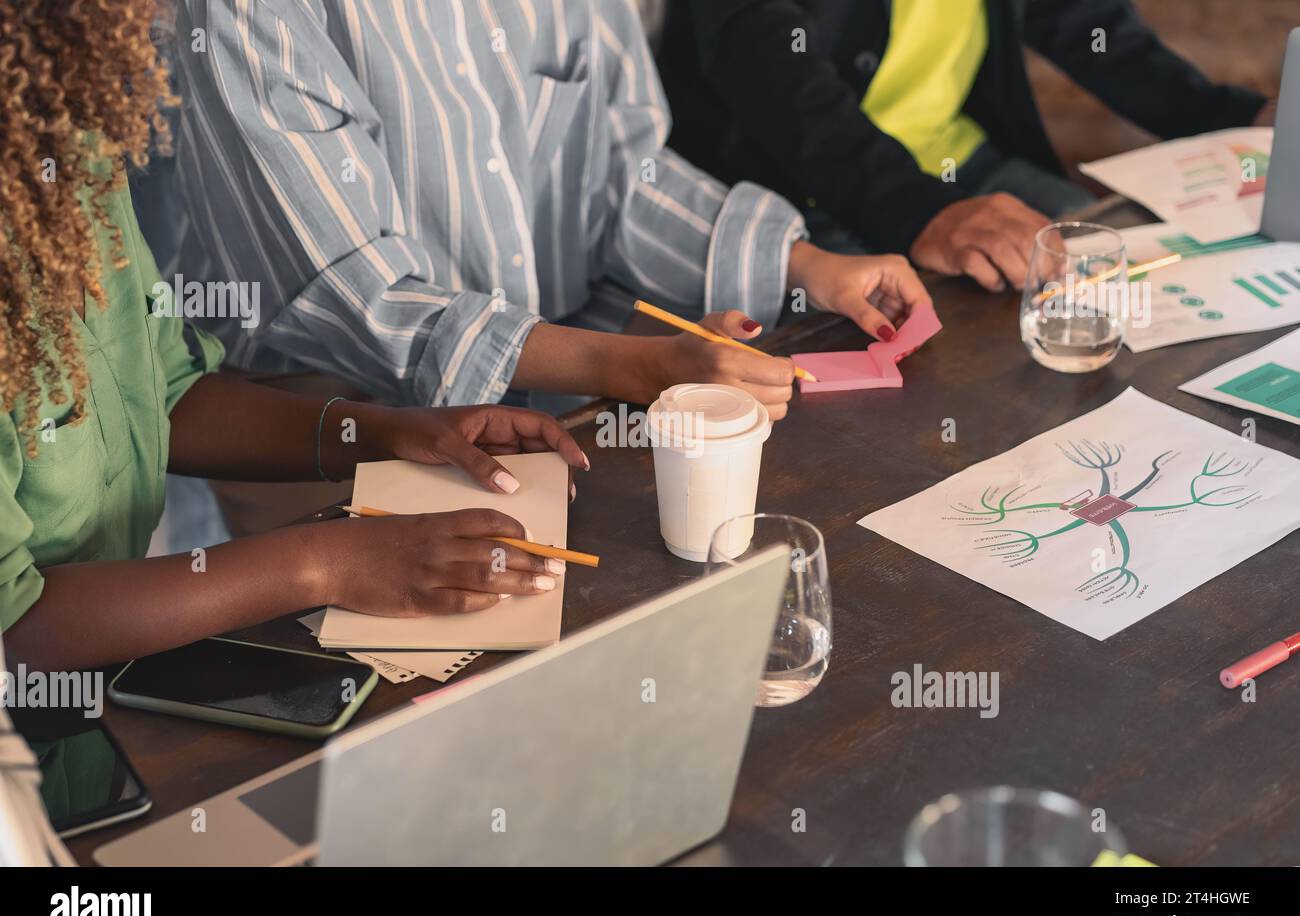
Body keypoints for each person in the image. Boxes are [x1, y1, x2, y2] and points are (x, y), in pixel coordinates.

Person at [0, 1, 593, 673]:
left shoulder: (63, 145)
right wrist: (328, 563)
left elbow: (163, 390)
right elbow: (18, 627)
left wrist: (377, 434)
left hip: (99, 726)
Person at [170, 0, 932, 434]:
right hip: (310, 427)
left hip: (562, 396)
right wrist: (628, 364)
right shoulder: (247, 11)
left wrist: (803, 268)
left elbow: (616, 172)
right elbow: (350, 297)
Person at [657, 0, 1274, 291]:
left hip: (960, 162)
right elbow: (764, 66)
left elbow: (1082, 21)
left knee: (1126, 290)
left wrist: (1231, 117)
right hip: (804, 190)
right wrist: (920, 213)